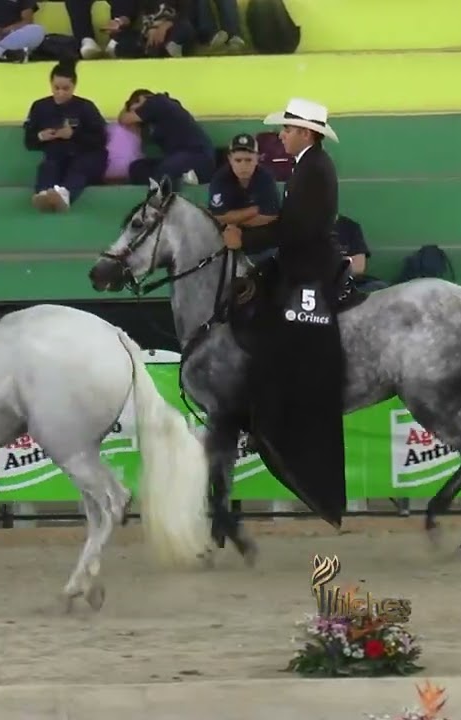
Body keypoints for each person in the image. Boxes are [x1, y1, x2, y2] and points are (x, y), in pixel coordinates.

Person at [222, 98, 352, 526]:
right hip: (300, 259)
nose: (281, 135)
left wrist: (248, 241)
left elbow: (298, 228)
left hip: (311, 268)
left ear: (307, 134)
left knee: (288, 330)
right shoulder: (306, 165)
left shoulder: (314, 168)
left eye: (288, 129)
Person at [23, 61, 108, 213]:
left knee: (79, 168)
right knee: (49, 166)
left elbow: (101, 139)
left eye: (66, 89)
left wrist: (74, 135)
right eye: (56, 88)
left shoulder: (86, 107)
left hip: (85, 154)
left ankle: (64, 195)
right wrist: (41, 136)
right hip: (57, 155)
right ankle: (44, 194)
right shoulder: (40, 107)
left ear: (74, 86)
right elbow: (29, 141)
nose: (60, 93)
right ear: (51, 84)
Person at [119, 88, 215, 186]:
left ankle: (182, 182)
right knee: (138, 168)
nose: (133, 112)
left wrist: (126, 106)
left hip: (196, 155)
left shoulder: (157, 101)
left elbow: (124, 119)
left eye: (133, 108)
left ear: (142, 98)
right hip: (175, 160)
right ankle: (183, 179)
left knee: (166, 171)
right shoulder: (152, 119)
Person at [208, 133, 280, 262]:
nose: (243, 166)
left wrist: (233, 221)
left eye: (248, 160)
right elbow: (218, 216)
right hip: (228, 237)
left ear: (257, 159)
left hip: (261, 240)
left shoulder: (266, 178)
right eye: (238, 160)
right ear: (230, 159)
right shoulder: (220, 179)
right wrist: (253, 210)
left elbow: (270, 216)